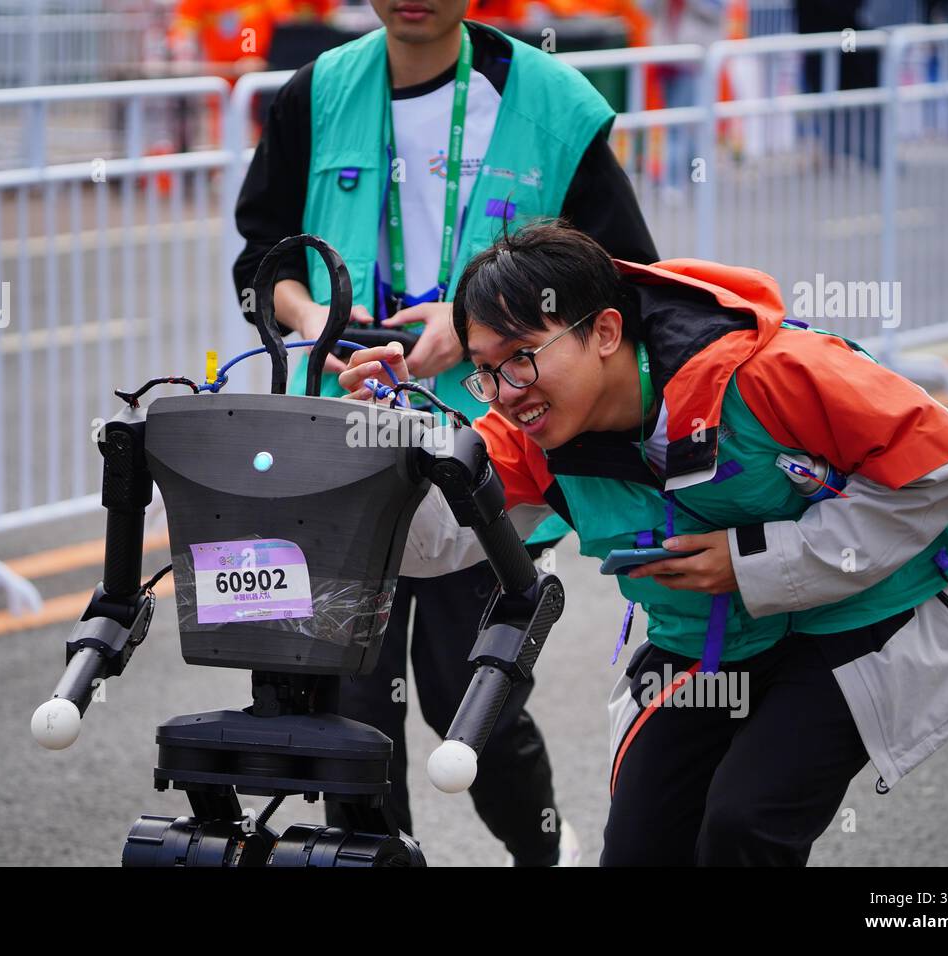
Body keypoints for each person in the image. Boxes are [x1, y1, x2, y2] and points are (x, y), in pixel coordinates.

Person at [338, 220, 948, 865]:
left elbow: (946, 464)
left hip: (866, 624)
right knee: (641, 848)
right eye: (486, 372)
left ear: (605, 330)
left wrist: (758, 559)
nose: (507, 391)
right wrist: (380, 448)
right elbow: (430, 542)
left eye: (522, 357)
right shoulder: (525, 437)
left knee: (742, 823)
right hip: (706, 645)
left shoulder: (770, 370)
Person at [231, 0, 659, 865]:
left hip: (495, 447)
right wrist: (316, 317)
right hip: (342, 442)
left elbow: (625, 282)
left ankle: (542, 850)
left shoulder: (553, 103)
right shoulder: (314, 92)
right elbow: (259, 257)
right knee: (350, 705)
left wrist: (474, 335)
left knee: (469, 697)